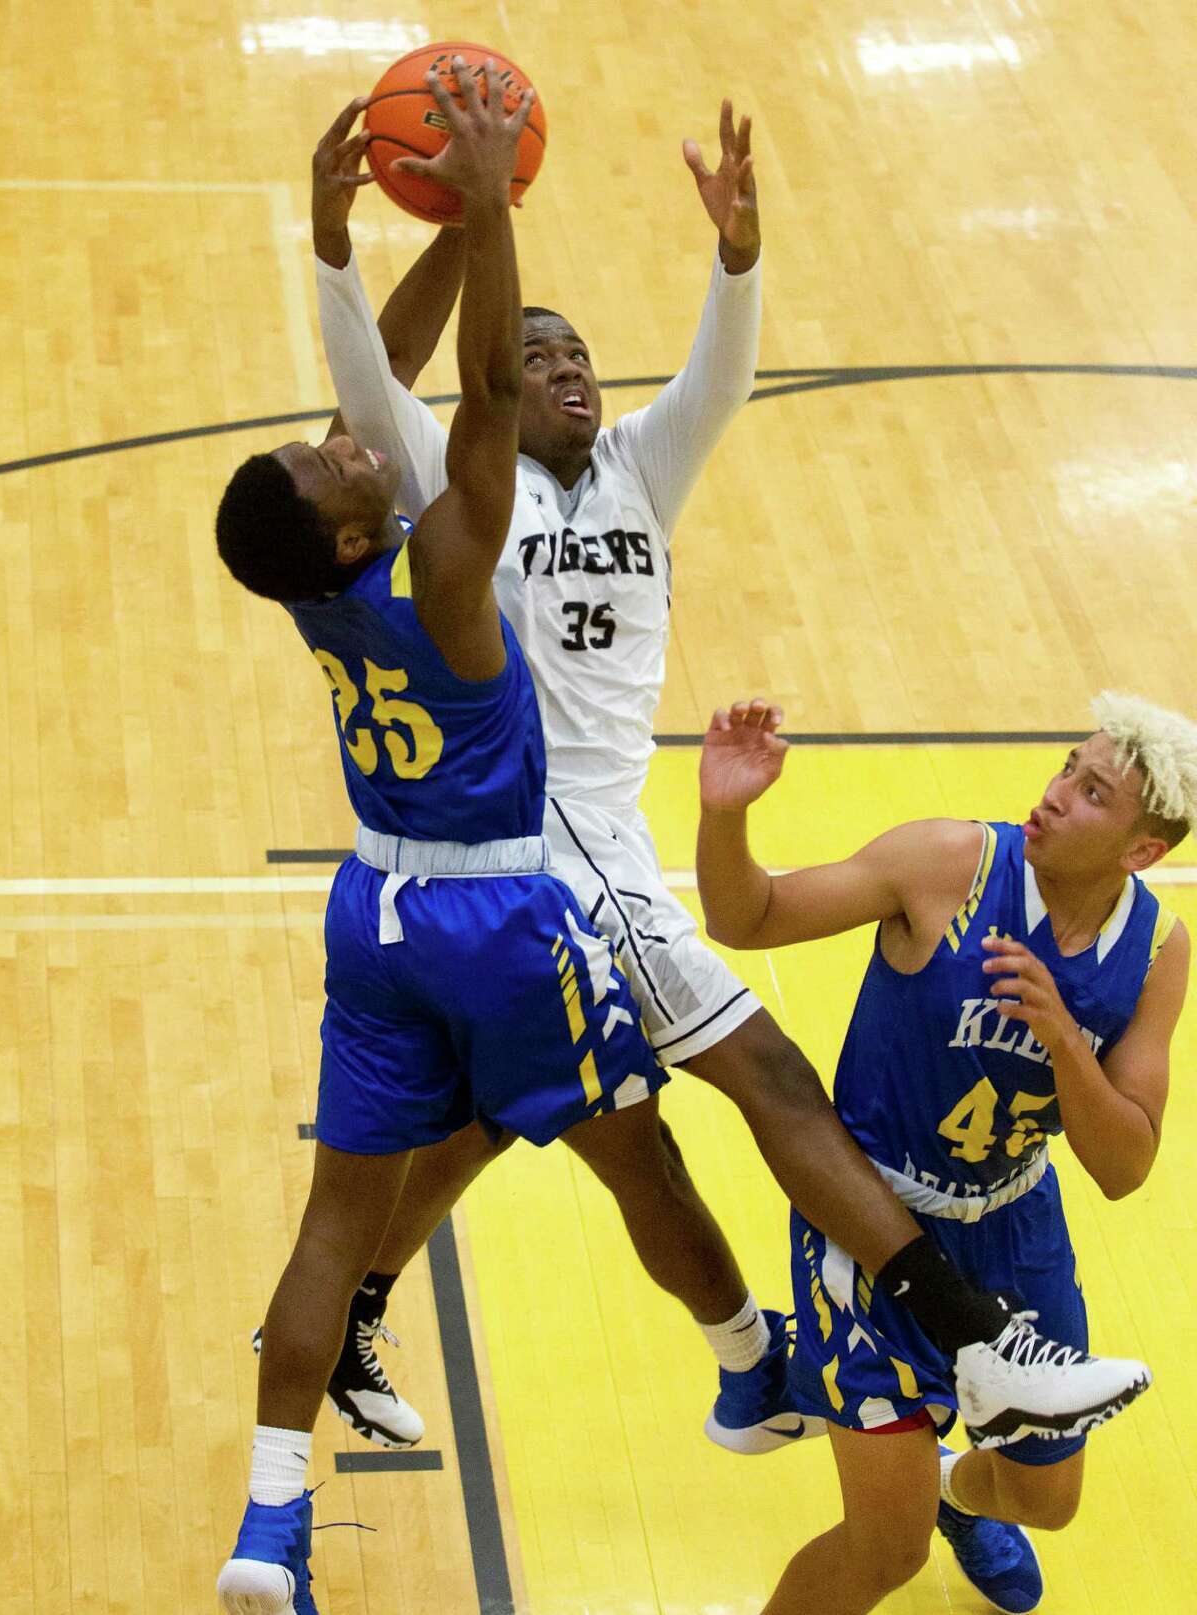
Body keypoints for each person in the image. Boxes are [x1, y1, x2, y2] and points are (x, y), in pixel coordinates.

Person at [311, 92, 1155, 1462]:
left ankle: (352, 1306)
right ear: (496, 388)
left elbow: (723, 378)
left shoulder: (643, 467)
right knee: (768, 1073)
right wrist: (345, 244)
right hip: (537, 849)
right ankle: (973, 1346)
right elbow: (366, 387)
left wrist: (738, 258)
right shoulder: (462, 492)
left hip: (607, 844)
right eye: (537, 354)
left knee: (496, 1112)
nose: (571, 368)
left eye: (583, 352)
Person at [212, 70, 673, 1614]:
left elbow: (384, 392)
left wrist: (347, 242)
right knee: (634, 1125)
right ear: (355, 532)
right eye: (340, 467)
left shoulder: (315, 579)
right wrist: (488, 215)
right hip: (496, 907)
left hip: (374, 910)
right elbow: (475, 392)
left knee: (336, 1220)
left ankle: (267, 1525)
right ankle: (757, 1350)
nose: (350, 445)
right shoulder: (447, 566)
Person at [695, 692, 1190, 1615]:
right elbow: (748, 917)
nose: (1052, 793)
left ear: (1140, 851)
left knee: (1046, 1502)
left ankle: (961, 1493)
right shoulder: (950, 863)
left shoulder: (1158, 948)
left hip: (1013, 1224)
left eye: (1090, 793)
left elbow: (1127, 1168)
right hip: (871, 1220)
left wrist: (1064, 1037)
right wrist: (727, 813)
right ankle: (844, 1384)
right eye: (1066, 767)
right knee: (884, 1548)